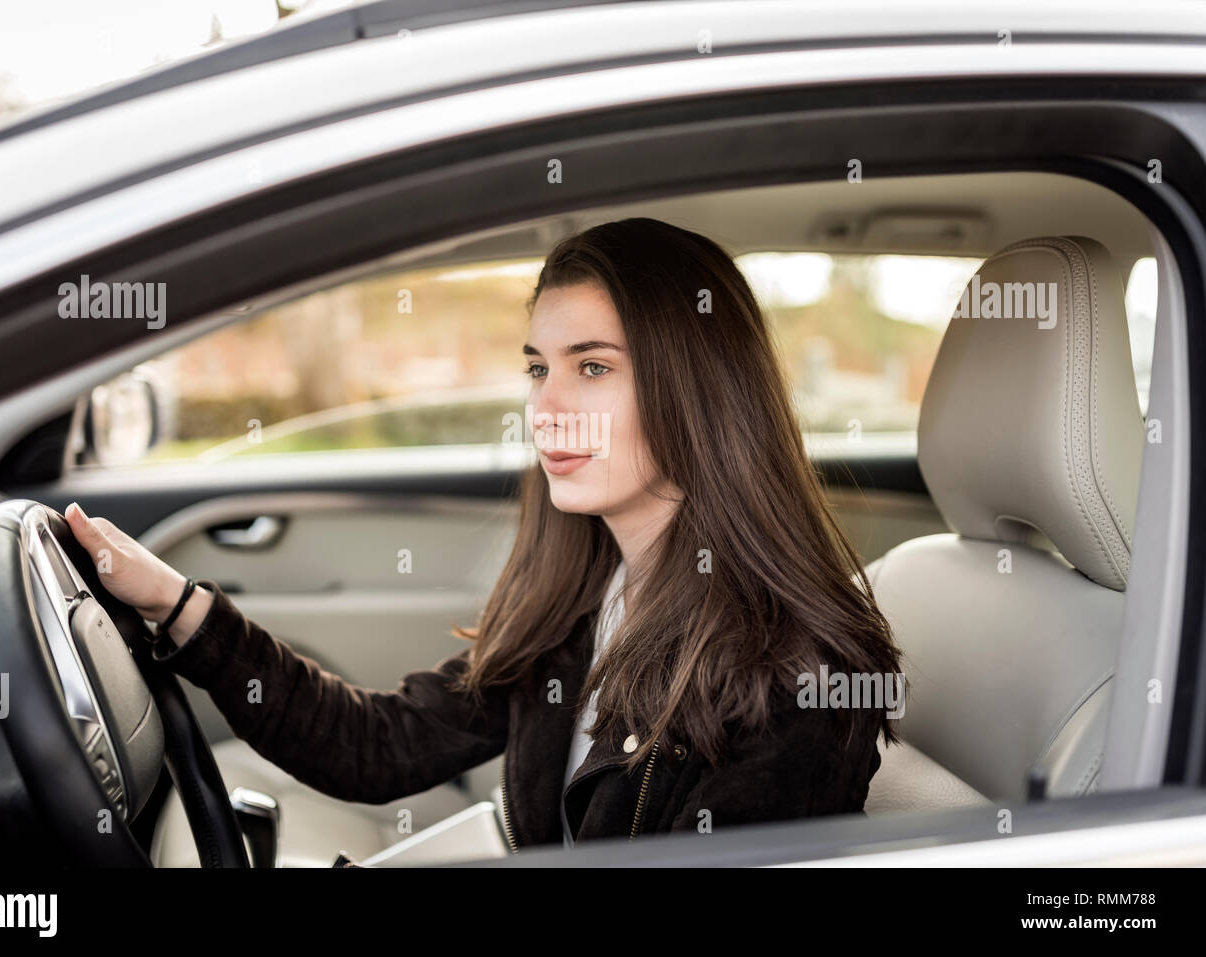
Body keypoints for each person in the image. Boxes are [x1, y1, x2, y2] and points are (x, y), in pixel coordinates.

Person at [66, 216, 906, 856]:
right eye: (538, 367)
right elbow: (377, 745)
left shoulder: (804, 678)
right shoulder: (587, 596)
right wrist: (176, 605)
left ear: (698, 388)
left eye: (593, 366)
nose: (544, 407)